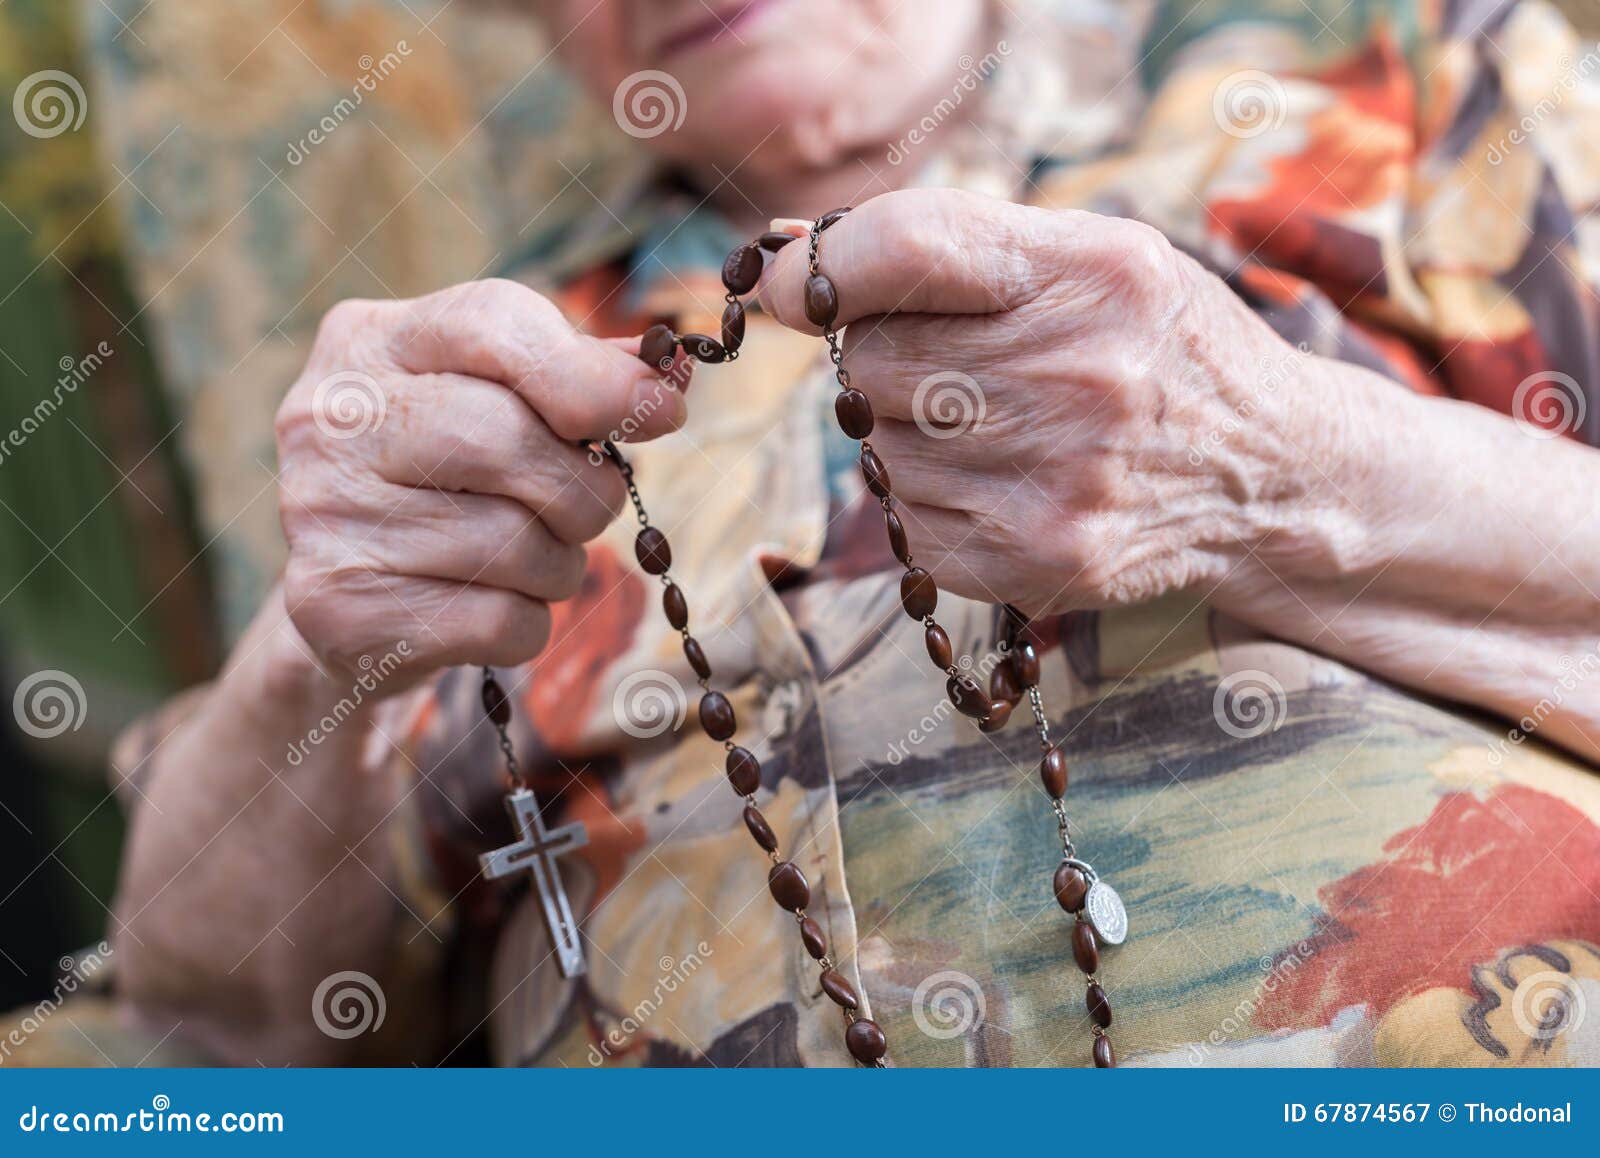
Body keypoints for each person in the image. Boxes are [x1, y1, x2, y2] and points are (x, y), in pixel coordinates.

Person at [33, 0, 1600, 1067]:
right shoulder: (473, 378)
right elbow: (203, 1035)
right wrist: (317, 662)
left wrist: (1279, 463)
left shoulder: (1393, 89)